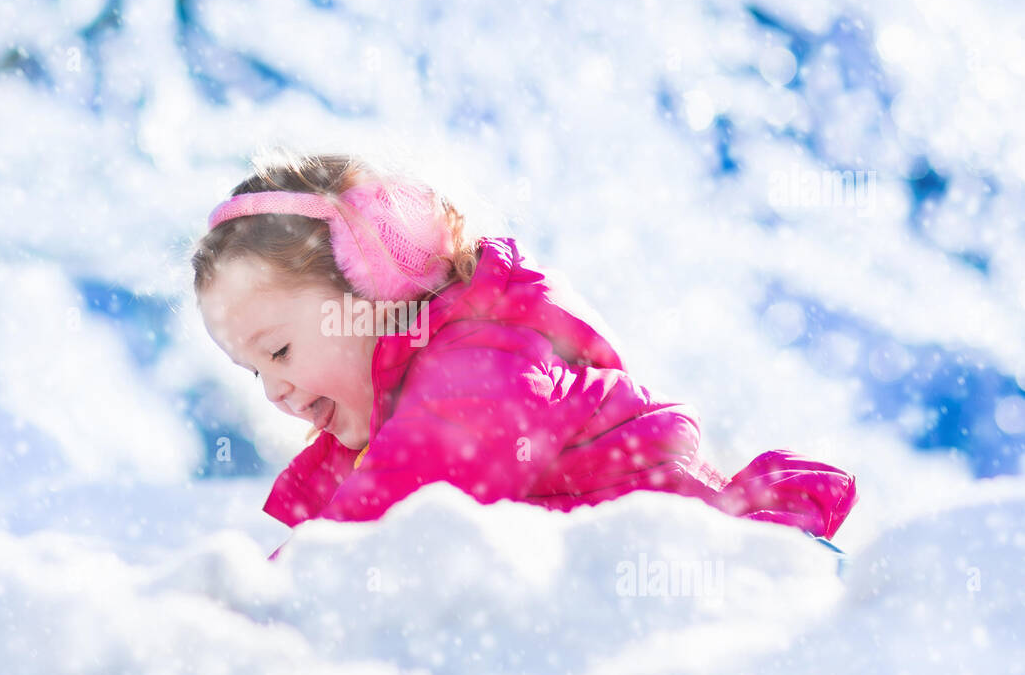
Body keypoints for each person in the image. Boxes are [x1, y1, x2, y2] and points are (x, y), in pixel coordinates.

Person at [191, 150, 858, 561]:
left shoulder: (476, 368)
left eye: (278, 350)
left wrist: (264, 605)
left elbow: (382, 531)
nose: (272, 390)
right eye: (253, 371)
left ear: (375, 288)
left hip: (686, 569)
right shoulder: (402, 409)